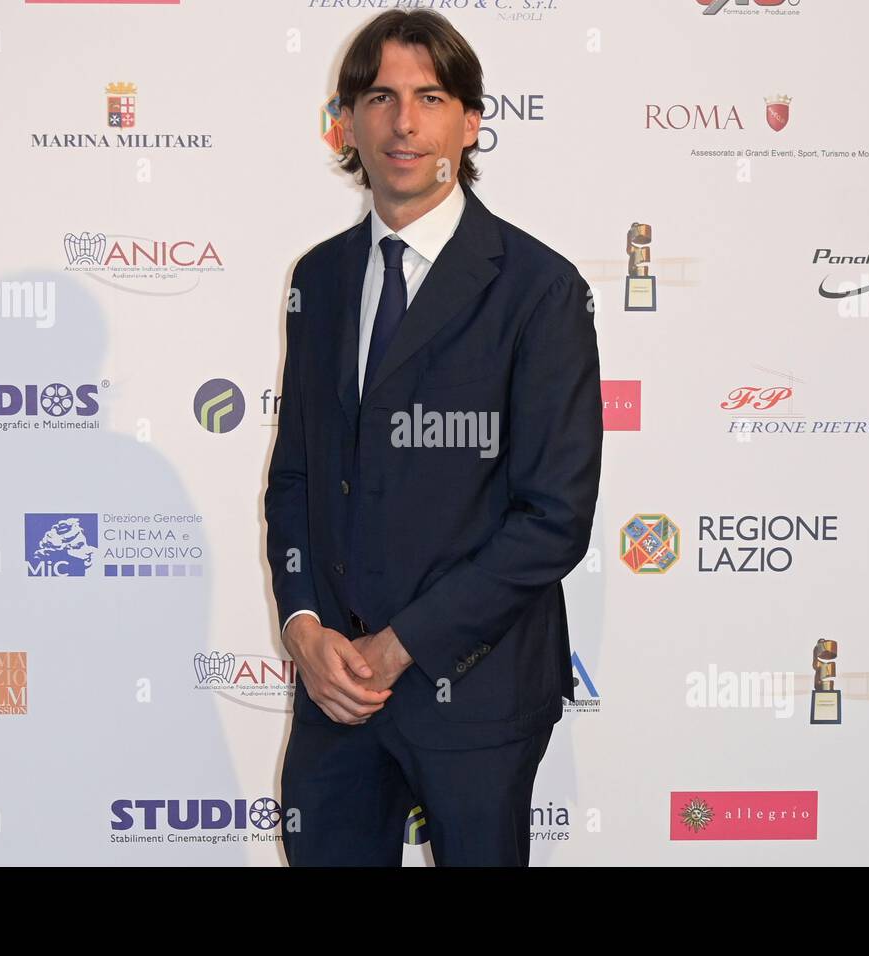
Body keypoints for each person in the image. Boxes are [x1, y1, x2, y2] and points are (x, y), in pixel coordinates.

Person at [265, 9, 602, 867]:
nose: (404, 123)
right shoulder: (321, 280)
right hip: (335, 698)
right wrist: (304, 627)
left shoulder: (539, 289)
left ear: (472, 120)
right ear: (347, 121)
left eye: (430, 97)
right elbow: (296, 479)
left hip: (478, 699)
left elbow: (552, 519)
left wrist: (400, 644)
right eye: (379, 96)